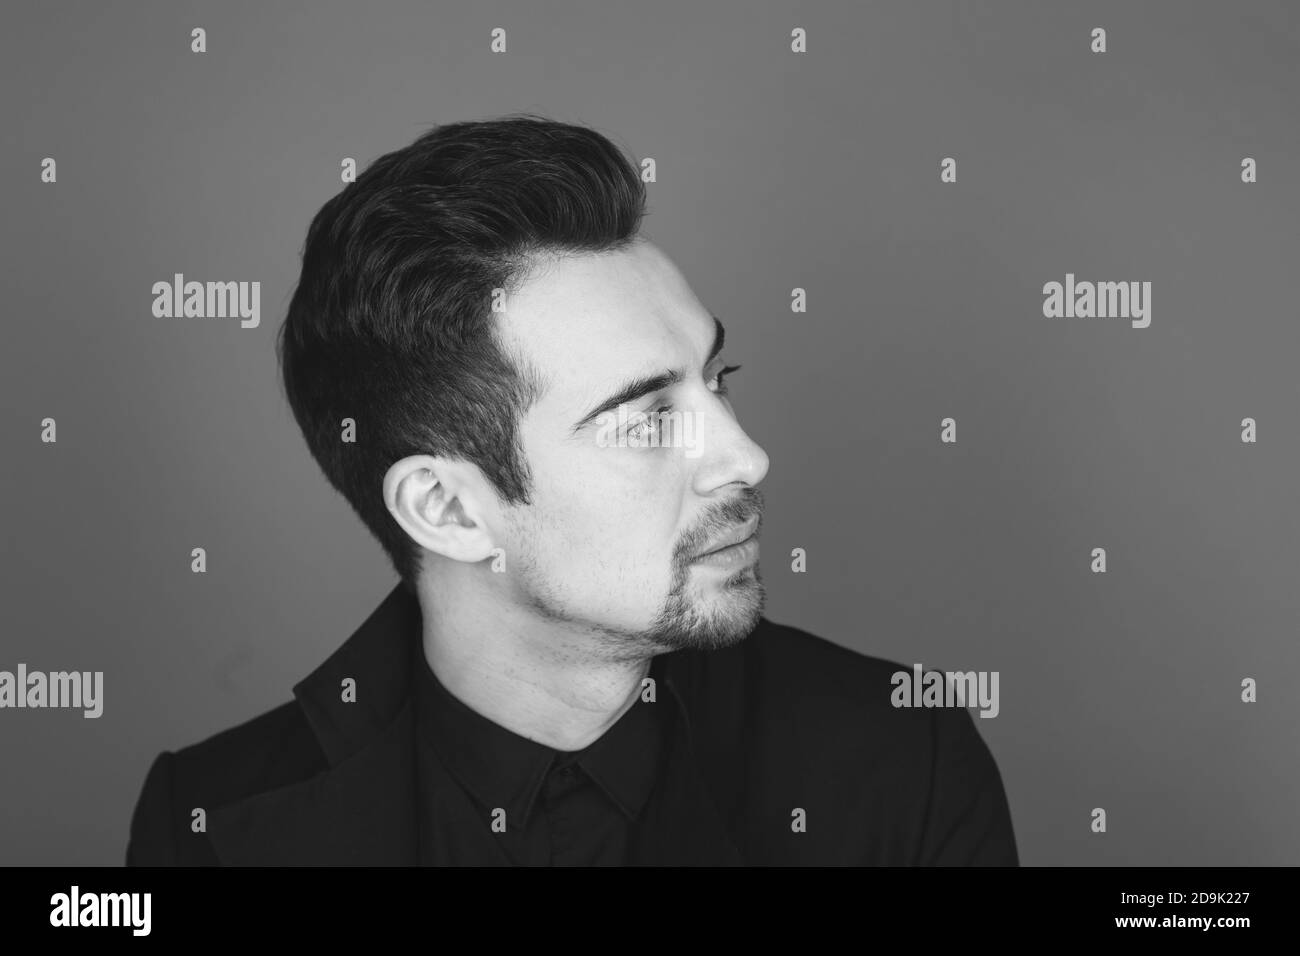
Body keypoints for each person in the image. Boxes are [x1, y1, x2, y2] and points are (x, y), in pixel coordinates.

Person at [125, 113, 1018, 866]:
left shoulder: (901, 760)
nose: (746, 457)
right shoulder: (211, 824)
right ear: (448, 509)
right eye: (646, 419)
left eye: (718, 378)